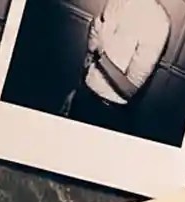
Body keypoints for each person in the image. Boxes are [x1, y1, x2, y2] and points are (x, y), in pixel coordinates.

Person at [67, 0, 171, 134]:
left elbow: (130, 89)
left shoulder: (158, 22)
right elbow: (93, 47)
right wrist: (77, 91)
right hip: (82, 96)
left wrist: (101, 52)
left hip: (108, 114)